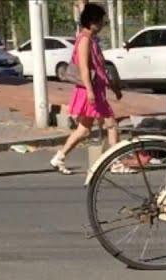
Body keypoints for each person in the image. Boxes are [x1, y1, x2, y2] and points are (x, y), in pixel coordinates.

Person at [51, 3, 123, 176]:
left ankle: (59, 157)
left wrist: (113, 87)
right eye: (101, 21)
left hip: (95, 90)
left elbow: (100, 68)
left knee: (83, 131)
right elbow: (84, 68)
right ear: (92, 23)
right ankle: (116, 163)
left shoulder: (91, 40)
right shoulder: (84, 40)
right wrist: (91, 91)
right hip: (90, 92)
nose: (102, 24)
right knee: (111, 124)